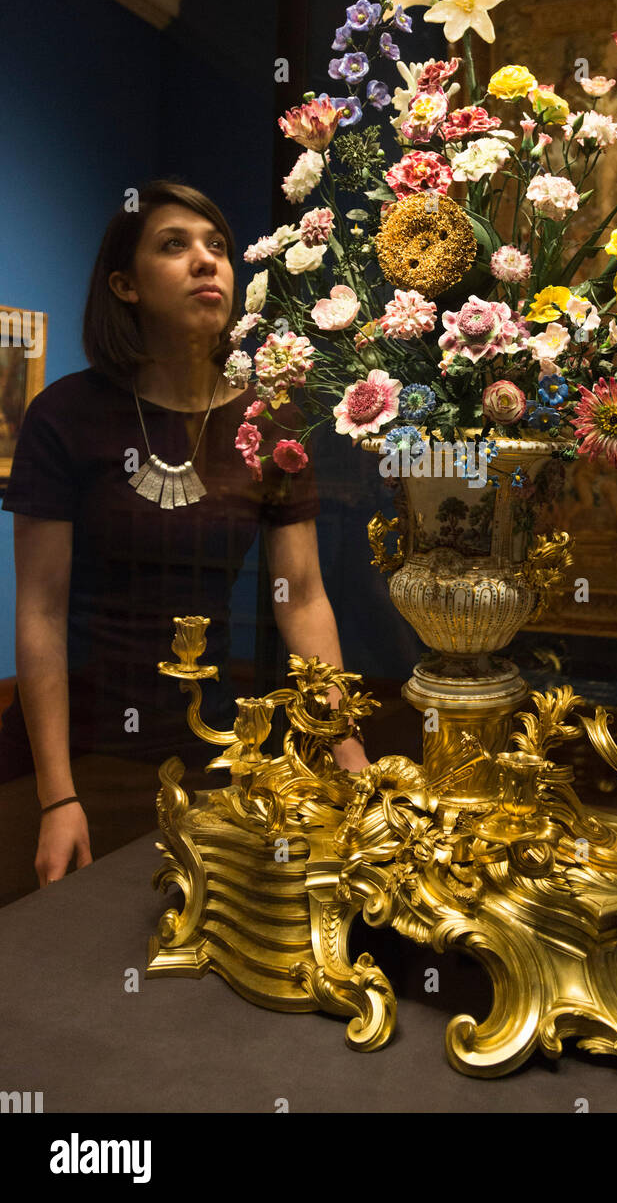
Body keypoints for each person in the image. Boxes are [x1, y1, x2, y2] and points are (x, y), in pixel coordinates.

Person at [0, 180, 368, 889]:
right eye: (175, 246)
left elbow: (302, 598)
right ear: (124, 285)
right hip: (76, 756)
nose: (208, 262)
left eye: (219, 248)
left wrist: (345, 743)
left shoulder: (273, 422)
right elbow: (41, 612)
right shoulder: (67, 414)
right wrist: (59, 794)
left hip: (213, 749)